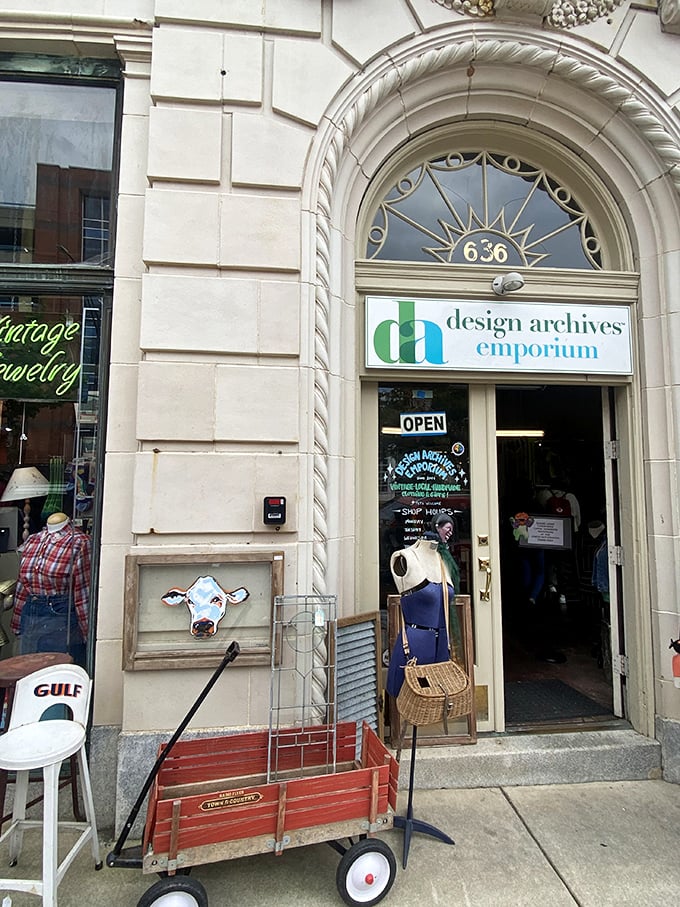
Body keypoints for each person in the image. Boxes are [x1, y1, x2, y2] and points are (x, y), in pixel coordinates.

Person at [386, 528, 462, 699]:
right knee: (411, 698)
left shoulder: (442, 561)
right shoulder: (405, 556)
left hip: (441, 643)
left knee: (439, 701)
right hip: (415, 644)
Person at [10, 511, 91, 665]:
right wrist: (17, 622)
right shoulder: (33, 540)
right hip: (31, 612)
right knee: (29, 668)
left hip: (60, 613)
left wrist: (87, 632)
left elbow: (82, 591)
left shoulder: (80, 542)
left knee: (56, 669)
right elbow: (22, 584)